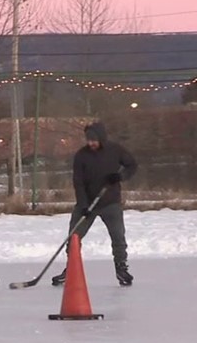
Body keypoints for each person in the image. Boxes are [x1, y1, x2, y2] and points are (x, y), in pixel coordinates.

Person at [52, 121, 138, 287]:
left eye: (94, 140)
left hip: (110, 202)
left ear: (102, 138)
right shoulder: (81, 156)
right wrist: (83, 205)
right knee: (74, 237)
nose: (91, 143)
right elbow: (78, 182)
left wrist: (119, 177)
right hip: (87, 204)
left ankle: (121, 268)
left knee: (118, 237)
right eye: (88, 140)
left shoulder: (115, 150)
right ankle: (71, 268)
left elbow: (132, 165)